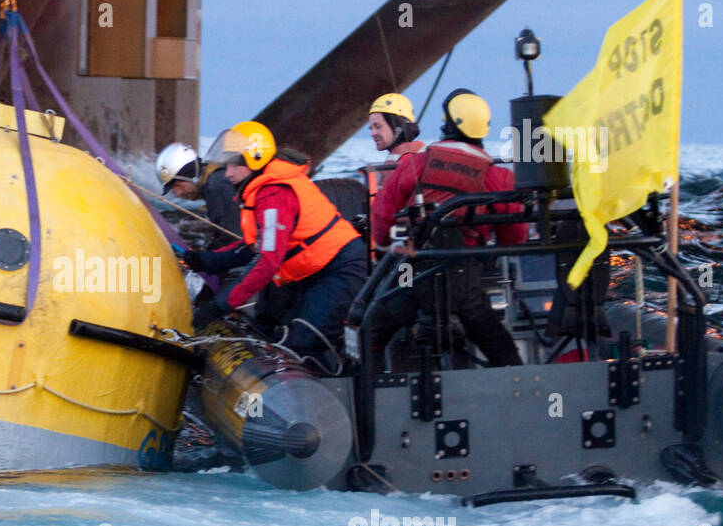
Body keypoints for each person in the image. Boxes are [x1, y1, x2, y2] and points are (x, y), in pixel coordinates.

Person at [184, 121, 369, 362]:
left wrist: (220, 305)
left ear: (255, 160)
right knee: (282, 329)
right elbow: (256, 246)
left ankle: (323, 392)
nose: (227, 173)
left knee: (303, 342)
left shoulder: (275, 195)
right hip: (314, 271)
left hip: (339, 269)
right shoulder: (263, 191)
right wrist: (207, 261)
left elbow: (268, 260)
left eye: (232, 164)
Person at [367, 89, 525, 367]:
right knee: (500, 349)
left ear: (445, 127)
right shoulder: (499, 176)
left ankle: (370, 390)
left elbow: (382, 216)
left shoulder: (416, 164)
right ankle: (521, 387)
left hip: (412, 277)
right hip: (466, 285)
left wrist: (384, 251)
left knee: (369, 330)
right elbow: (515, 237)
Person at [156, 142, 241, 237]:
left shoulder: (215, 188)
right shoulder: (217, 178)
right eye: (173, 189)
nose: (178, 193)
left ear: (192, 175)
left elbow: (231, 236)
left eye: (178, 184)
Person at [368, 92, 424, 163]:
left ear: (398, 127)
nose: (372, 134)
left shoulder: (408, 161)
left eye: (378, 127)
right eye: (371, 128)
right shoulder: (423, 155)